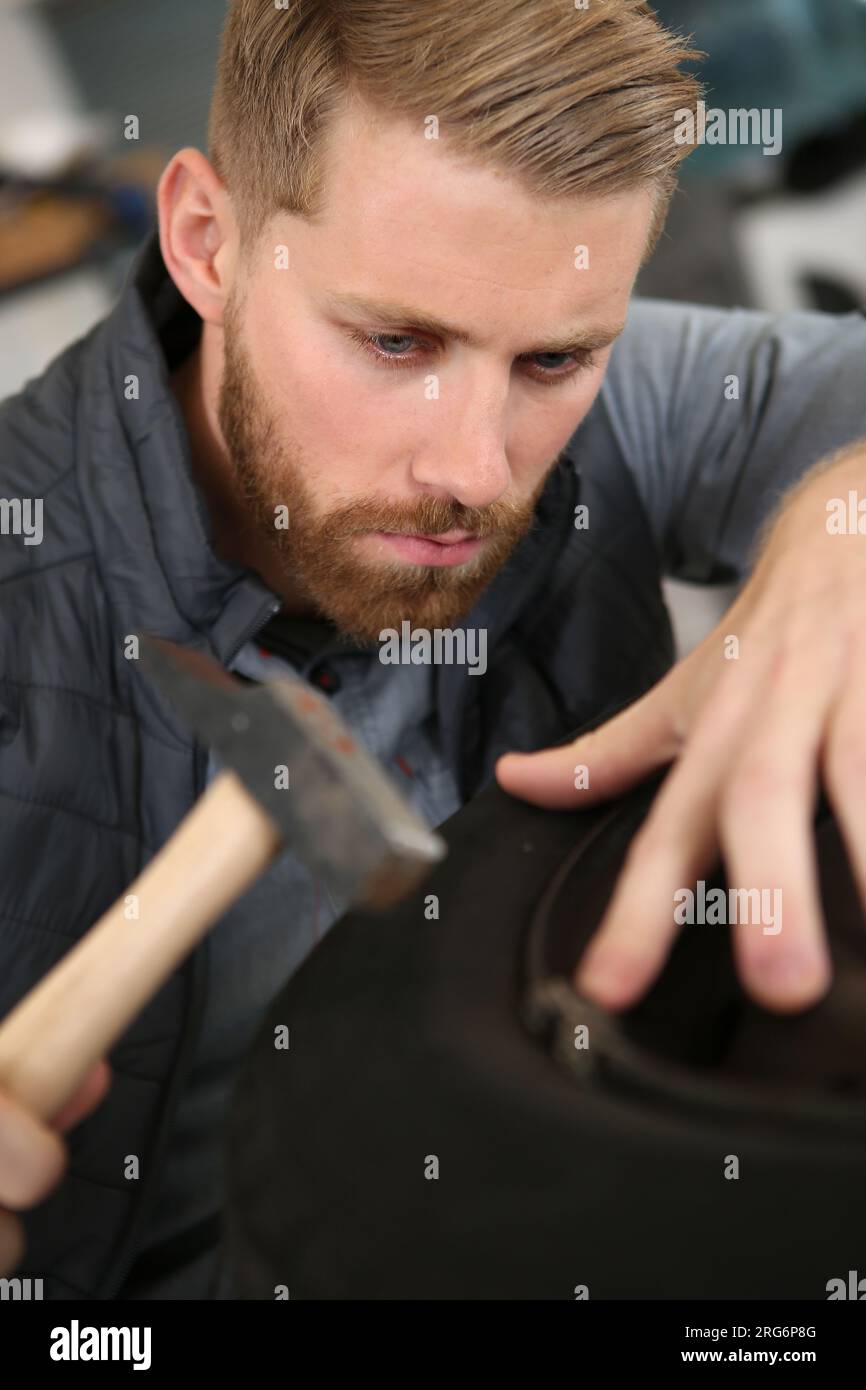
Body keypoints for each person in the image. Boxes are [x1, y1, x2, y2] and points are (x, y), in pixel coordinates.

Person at [1, 0, 864, 1300]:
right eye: (393, 342)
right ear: (205, 243)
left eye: (554, 359)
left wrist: (843, 523)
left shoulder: (603, 400)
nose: (471, 468)